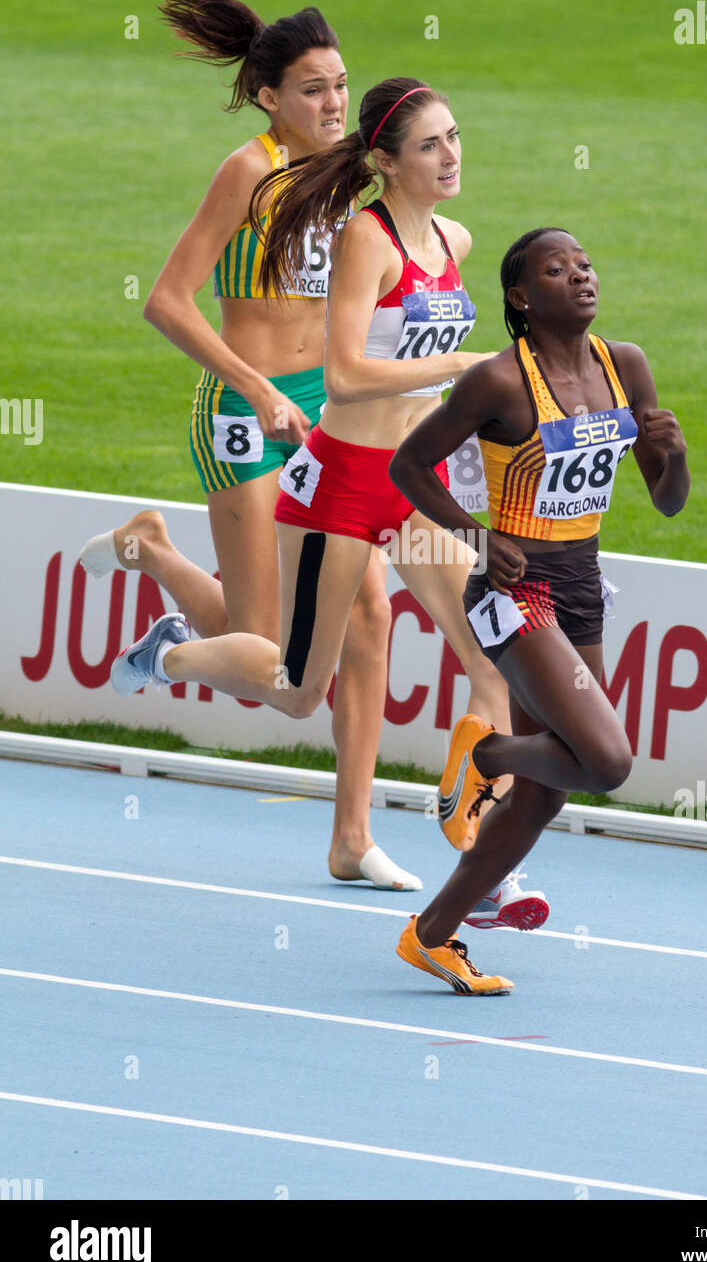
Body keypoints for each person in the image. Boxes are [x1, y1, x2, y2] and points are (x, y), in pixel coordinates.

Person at [109, 78, 549, 931]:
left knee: (490, 653)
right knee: (297, 688)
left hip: (413, 486)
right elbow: (344, 376)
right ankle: (172, 654)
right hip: (339, 485)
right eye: (430, 145)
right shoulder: (365, 242)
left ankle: (480, 858)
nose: (451, 155)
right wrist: (463, 365)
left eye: (456, 137)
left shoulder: (452, 240)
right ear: (386, 162)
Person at [79, 0, 414, 891]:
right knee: (269, 652)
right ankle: (164, 613)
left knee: (372, 613)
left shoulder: (353, 170)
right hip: (244, 414)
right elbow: (167, 302)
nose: (335, 101)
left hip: (326, 418)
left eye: (341, 84)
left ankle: (351, 836)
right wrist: (259, 387)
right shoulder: (250, 170)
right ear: (270, 96)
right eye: (314, 88)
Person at [387, 227, 691, 993]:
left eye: (586, 264)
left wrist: (675, 453)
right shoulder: (499, 382)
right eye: (558, 270)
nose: (582, 276)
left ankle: (431, 935)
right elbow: (408, 465)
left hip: (581, 583)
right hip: (511, 587)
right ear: (522, 297)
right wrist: (475, 538)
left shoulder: (626, 366)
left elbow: (667, 502)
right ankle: (483, 757)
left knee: (546, 795)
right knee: (609, 762)